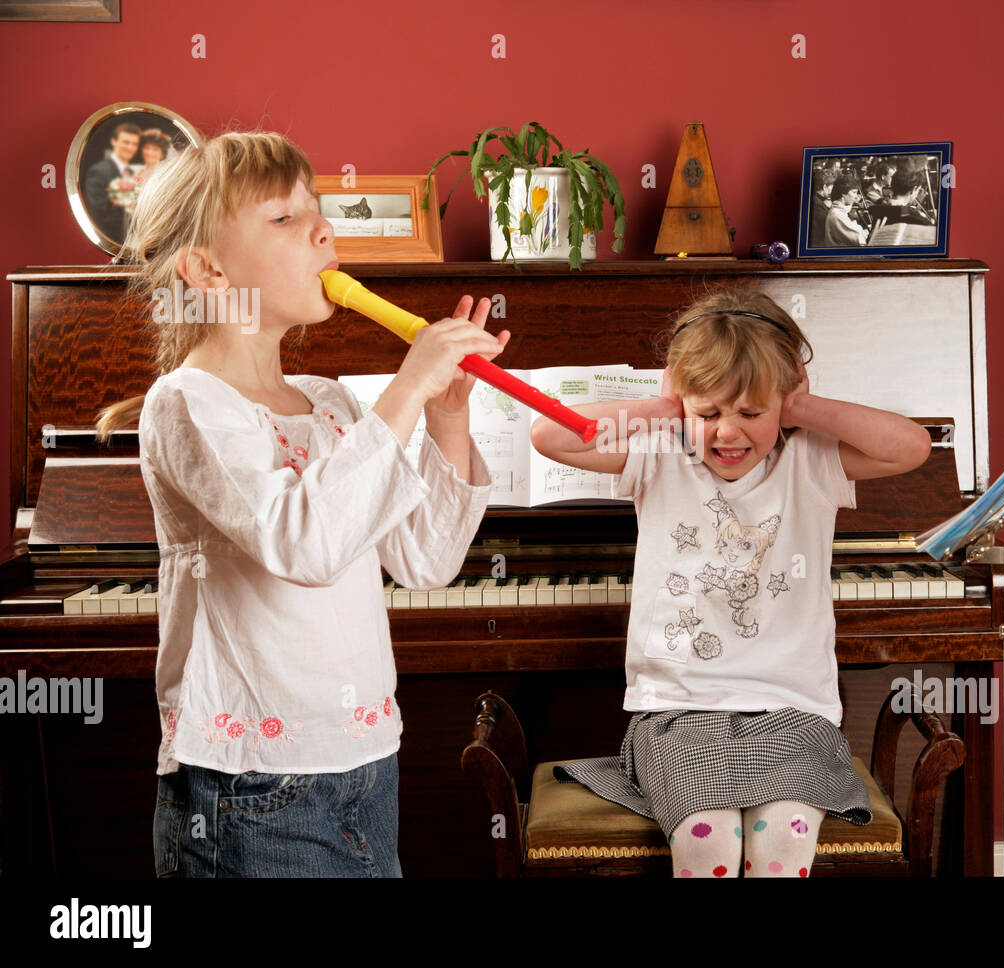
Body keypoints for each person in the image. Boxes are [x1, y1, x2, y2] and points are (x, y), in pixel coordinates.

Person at [94, 131, 509, 877]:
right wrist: (407, 388)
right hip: (250, 780)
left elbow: (426, 559)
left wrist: (446, 411)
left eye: (318, 213)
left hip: (365, 762)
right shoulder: (189, 403)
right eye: (283, 219)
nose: (323, 230)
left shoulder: (331, 402)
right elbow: (302, 543)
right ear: (208, 269)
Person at [529, 289, 931, 877]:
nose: (727, 433)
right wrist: (670, 409)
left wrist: (799, 407)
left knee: (784, 846)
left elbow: (913, 446)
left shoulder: (813, 461)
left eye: (750, 412)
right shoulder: (660, 452)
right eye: (709, 412)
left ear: (785, 403)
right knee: (707, 840)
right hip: (678, 713)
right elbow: (551, 435)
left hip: (793, 712)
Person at [84, 122, 141, 242]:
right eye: (126, 142)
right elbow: (99, 214)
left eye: (134, 144)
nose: (130, 147)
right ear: (114, 142)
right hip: (116, 238)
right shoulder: (99, 171)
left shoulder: (133, 171)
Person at [824, 176, 873, 246]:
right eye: (854, 192)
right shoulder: (837, 215)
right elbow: (860, 241)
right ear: (843, 193)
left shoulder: (840, 211)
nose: (857, 197)